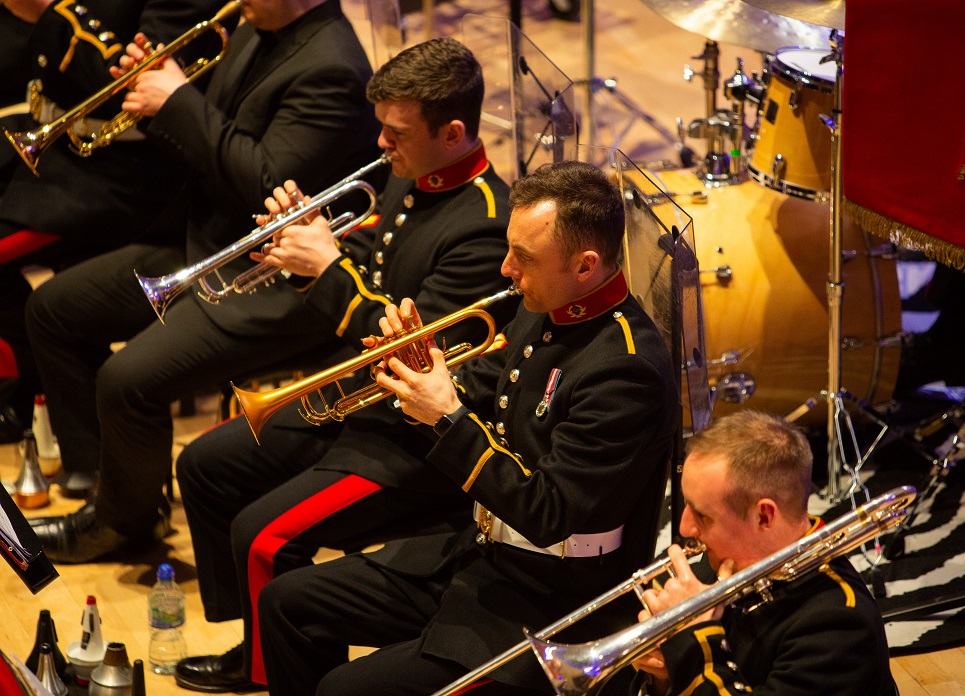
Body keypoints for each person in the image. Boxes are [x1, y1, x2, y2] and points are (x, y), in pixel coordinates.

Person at [256, 160, 679, 696]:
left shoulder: (625, 368)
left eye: (523, 257)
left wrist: (446, 417)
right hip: (478, 554)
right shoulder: (548, 305)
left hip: (548, 600)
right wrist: (418, 368)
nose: (506, 268)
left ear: (584, 265)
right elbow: (482, 387)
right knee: (287, 603)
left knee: (343, 690)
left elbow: (547, 512)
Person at [171, 37, 516, 693]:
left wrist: (325, 269)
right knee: (204, 465)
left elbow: (410, 350)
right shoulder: (411, 176)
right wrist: (307, 246)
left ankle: (279, 676)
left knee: (263, 537)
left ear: (452, 133)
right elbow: (378, 277)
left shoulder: (482, 227)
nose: (379, 144)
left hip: (408, 443)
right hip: (353, 406)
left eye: (395, 132)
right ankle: (259, 646)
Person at [25, 0, 381, 560]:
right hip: (207, 239)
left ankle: (121, 524)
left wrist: (177, 101)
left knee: (126, 380)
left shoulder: (334, 68)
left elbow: (269, 184)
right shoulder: (255, 27)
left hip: (273, 275)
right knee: (53, 311)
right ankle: (110, 485)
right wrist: (150, 100)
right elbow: (210, 136)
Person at [0, 0, 226, 452]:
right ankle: (35, 397)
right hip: (49, 150)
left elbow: (130, 87)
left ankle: (42, 406)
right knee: (49, 315)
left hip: (119, 177)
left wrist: (50, 10)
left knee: (55, 310)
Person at [630, 410, 896, 696]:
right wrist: (664, 676)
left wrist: (690, 645)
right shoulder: (717, 564)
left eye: (702, 514)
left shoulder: (840, 626)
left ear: (764, 516)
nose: (684, 527)